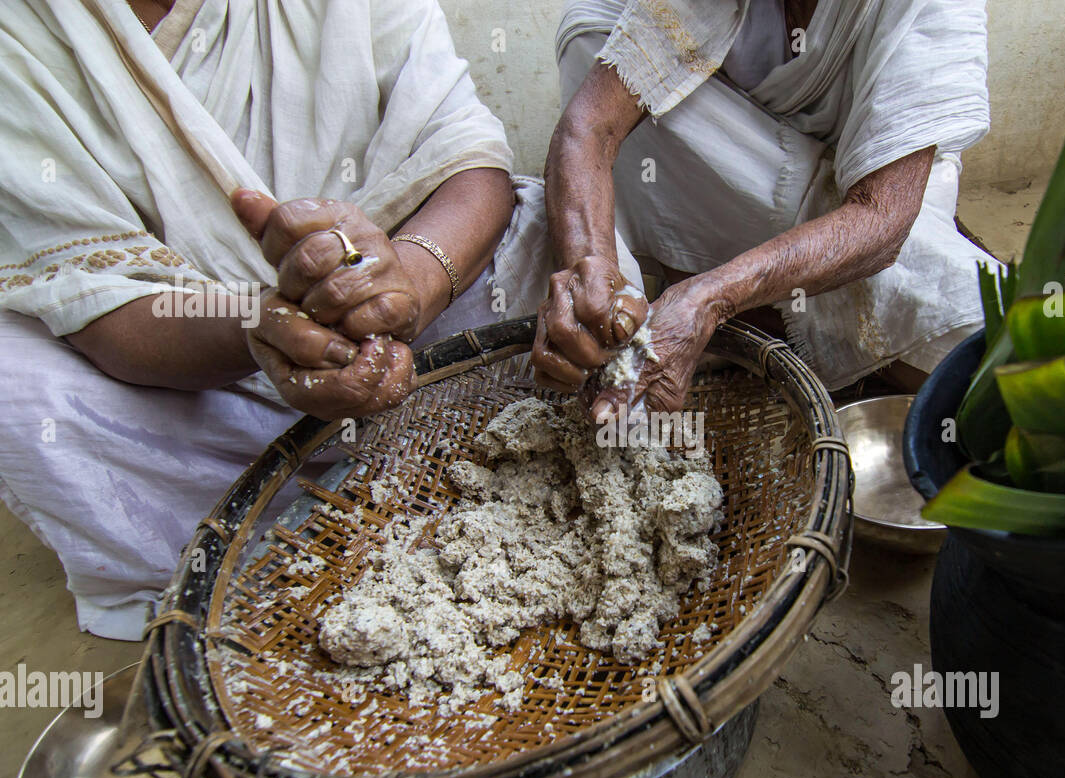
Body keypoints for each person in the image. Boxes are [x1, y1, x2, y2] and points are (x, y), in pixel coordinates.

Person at [0, 0, 632, 640]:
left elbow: (468, 159)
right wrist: (262, 329)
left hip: (428, 329)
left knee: (558, 254)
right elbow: (100, 302)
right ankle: (278, 551)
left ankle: (430, 474)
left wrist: (398, 291)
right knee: (19, 389)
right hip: (213, 384)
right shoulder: (20, 35)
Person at [533, 0, 999, 418]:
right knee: (590, 36)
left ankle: (743, 309)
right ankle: (746, 308)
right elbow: (590, 125)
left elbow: (881, 217)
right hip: (736, 147)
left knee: (987, 356)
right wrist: (586, 262)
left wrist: (709, 299)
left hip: (877, 177)